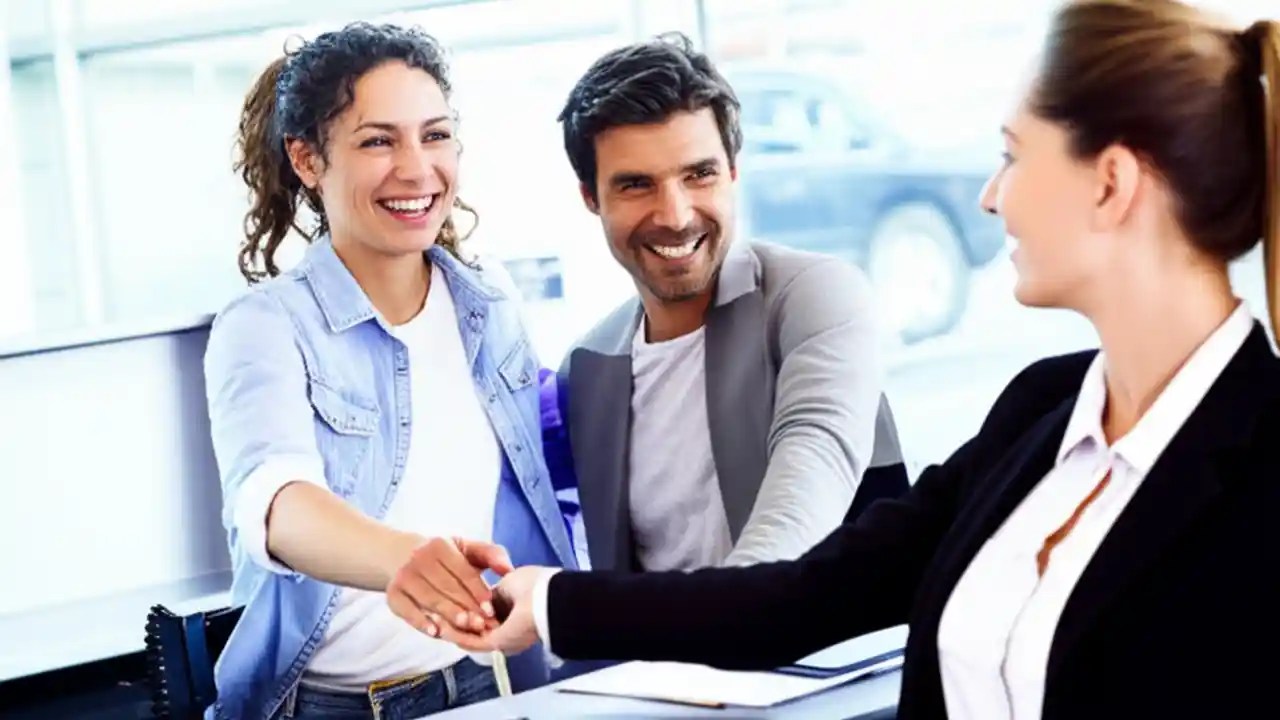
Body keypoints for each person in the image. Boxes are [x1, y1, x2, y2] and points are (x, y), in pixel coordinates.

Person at [450, 2, 1280, 718]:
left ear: (1111, 183)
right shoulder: (1042, 411)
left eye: (1012, 154)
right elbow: (802, 597)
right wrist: (554, 600)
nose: (991, 196)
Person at [202, 23, 575, 720]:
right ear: (308, 160)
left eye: (434, 135)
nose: (416, 168)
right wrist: (404, 558)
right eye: (378, 141)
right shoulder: (265, 326)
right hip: (327, 705)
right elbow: (276, 505)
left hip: (484, 686)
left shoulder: (489, 306)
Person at [544, 33, 910, 577]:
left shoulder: (813, 297)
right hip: (664, 661)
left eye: (699, 174)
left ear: (733, 171)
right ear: (591, 198)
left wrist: (719, 621)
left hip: (827, 654)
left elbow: (814, 473)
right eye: (636, 185)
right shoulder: (588, 366)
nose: (674, 214)